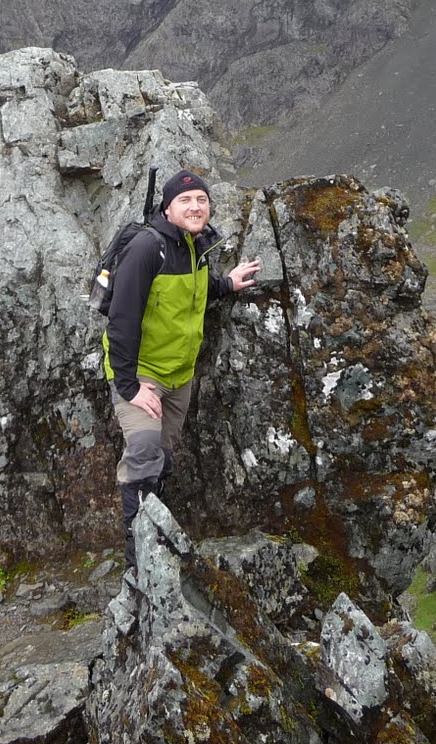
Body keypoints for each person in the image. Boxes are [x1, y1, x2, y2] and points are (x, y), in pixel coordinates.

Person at [102, 169, 261, 572]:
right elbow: (120, 319)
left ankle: (154, 536)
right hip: (141, 375)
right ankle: (139, 564)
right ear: (168, 208)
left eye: (201, 200)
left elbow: (189, 294)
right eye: (185, 201)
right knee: (143, 452)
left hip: (179, 378)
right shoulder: (147, 248)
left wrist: (227, 284)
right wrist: (129, 386)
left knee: (161, 458)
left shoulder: (195, 247)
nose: (195, 207)